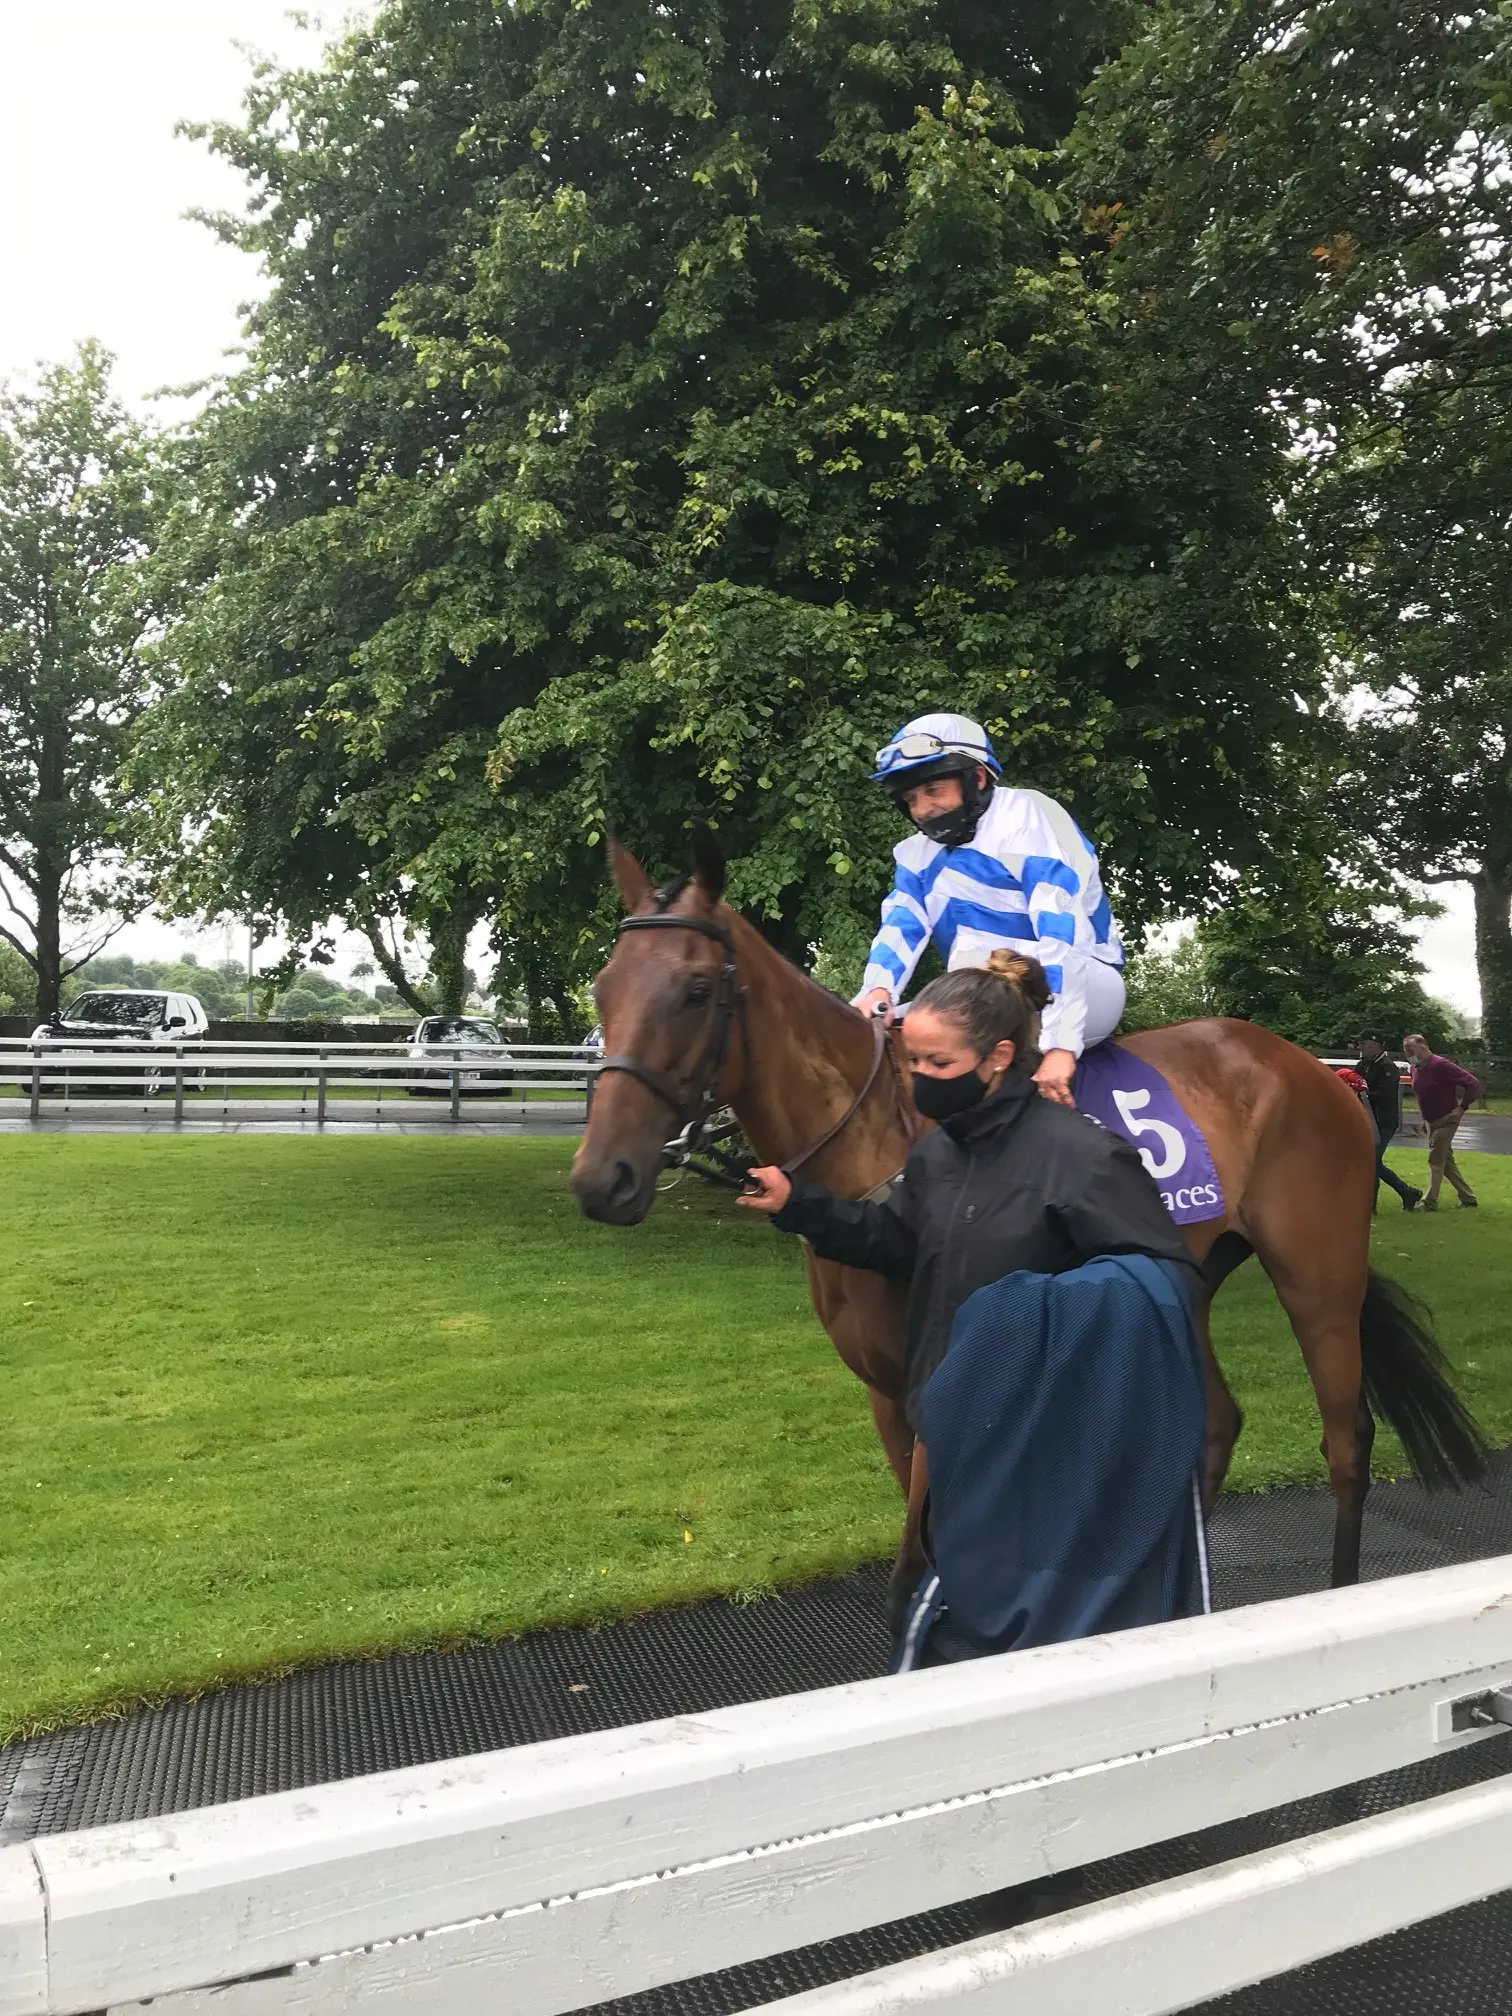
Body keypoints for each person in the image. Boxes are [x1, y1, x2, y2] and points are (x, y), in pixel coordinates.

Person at [740, 955, 1208, 1629]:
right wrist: (799, 1205)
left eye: (939, 1064)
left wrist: (1028, 1318)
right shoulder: (938, 1155)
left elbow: (1166, 1281)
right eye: (911, 1062)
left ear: (999, 1057)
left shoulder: (1085, 1157)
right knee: (956, 1609)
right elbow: (897, 1242)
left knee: (1049, 1626)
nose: (919, 1080)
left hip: (1050, 1440)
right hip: (956, 1423)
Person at [853, 713, 1125, 1109]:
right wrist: (877, 991)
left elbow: (1061, 933)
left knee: (956, 1035)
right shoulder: (914, 855)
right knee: (892, 1041)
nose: (923, 809)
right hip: (977, 997)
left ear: (977, 778)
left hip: (1082, 982)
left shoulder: (1028, 816)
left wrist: (1060, 1045)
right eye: (910, 799)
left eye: (933, 790)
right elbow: (902, 924)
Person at [1402, 1033, 1480, 1211]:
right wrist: (1424, 1120)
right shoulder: (1415, 1068)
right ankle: (1468, 1198)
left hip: (1447, 1119)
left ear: (1423, 1047)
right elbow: (1423, 1095)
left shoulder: (1441, 1065)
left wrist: (1461, 1108)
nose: (1408, 1055)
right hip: (1431, 1121)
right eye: (1405, 1051)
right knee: (1447, 1163)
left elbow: (1472, 1083)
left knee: (1435, 1159)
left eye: (1410, 1050)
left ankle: (1429, 1202)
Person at [1354, 1032, 1422, 1214]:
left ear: (1374, 1045)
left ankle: (1372, 1204)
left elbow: (1386, 1096)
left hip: (1384, 1121)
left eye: (1363, 1043)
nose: (1359, 1047)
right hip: (1368, 1119)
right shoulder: (1363, 1065)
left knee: (1372, 1162)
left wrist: (1361, 1093)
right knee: (1372, 1162)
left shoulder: (1387, 1067)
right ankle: (1406, 1193)